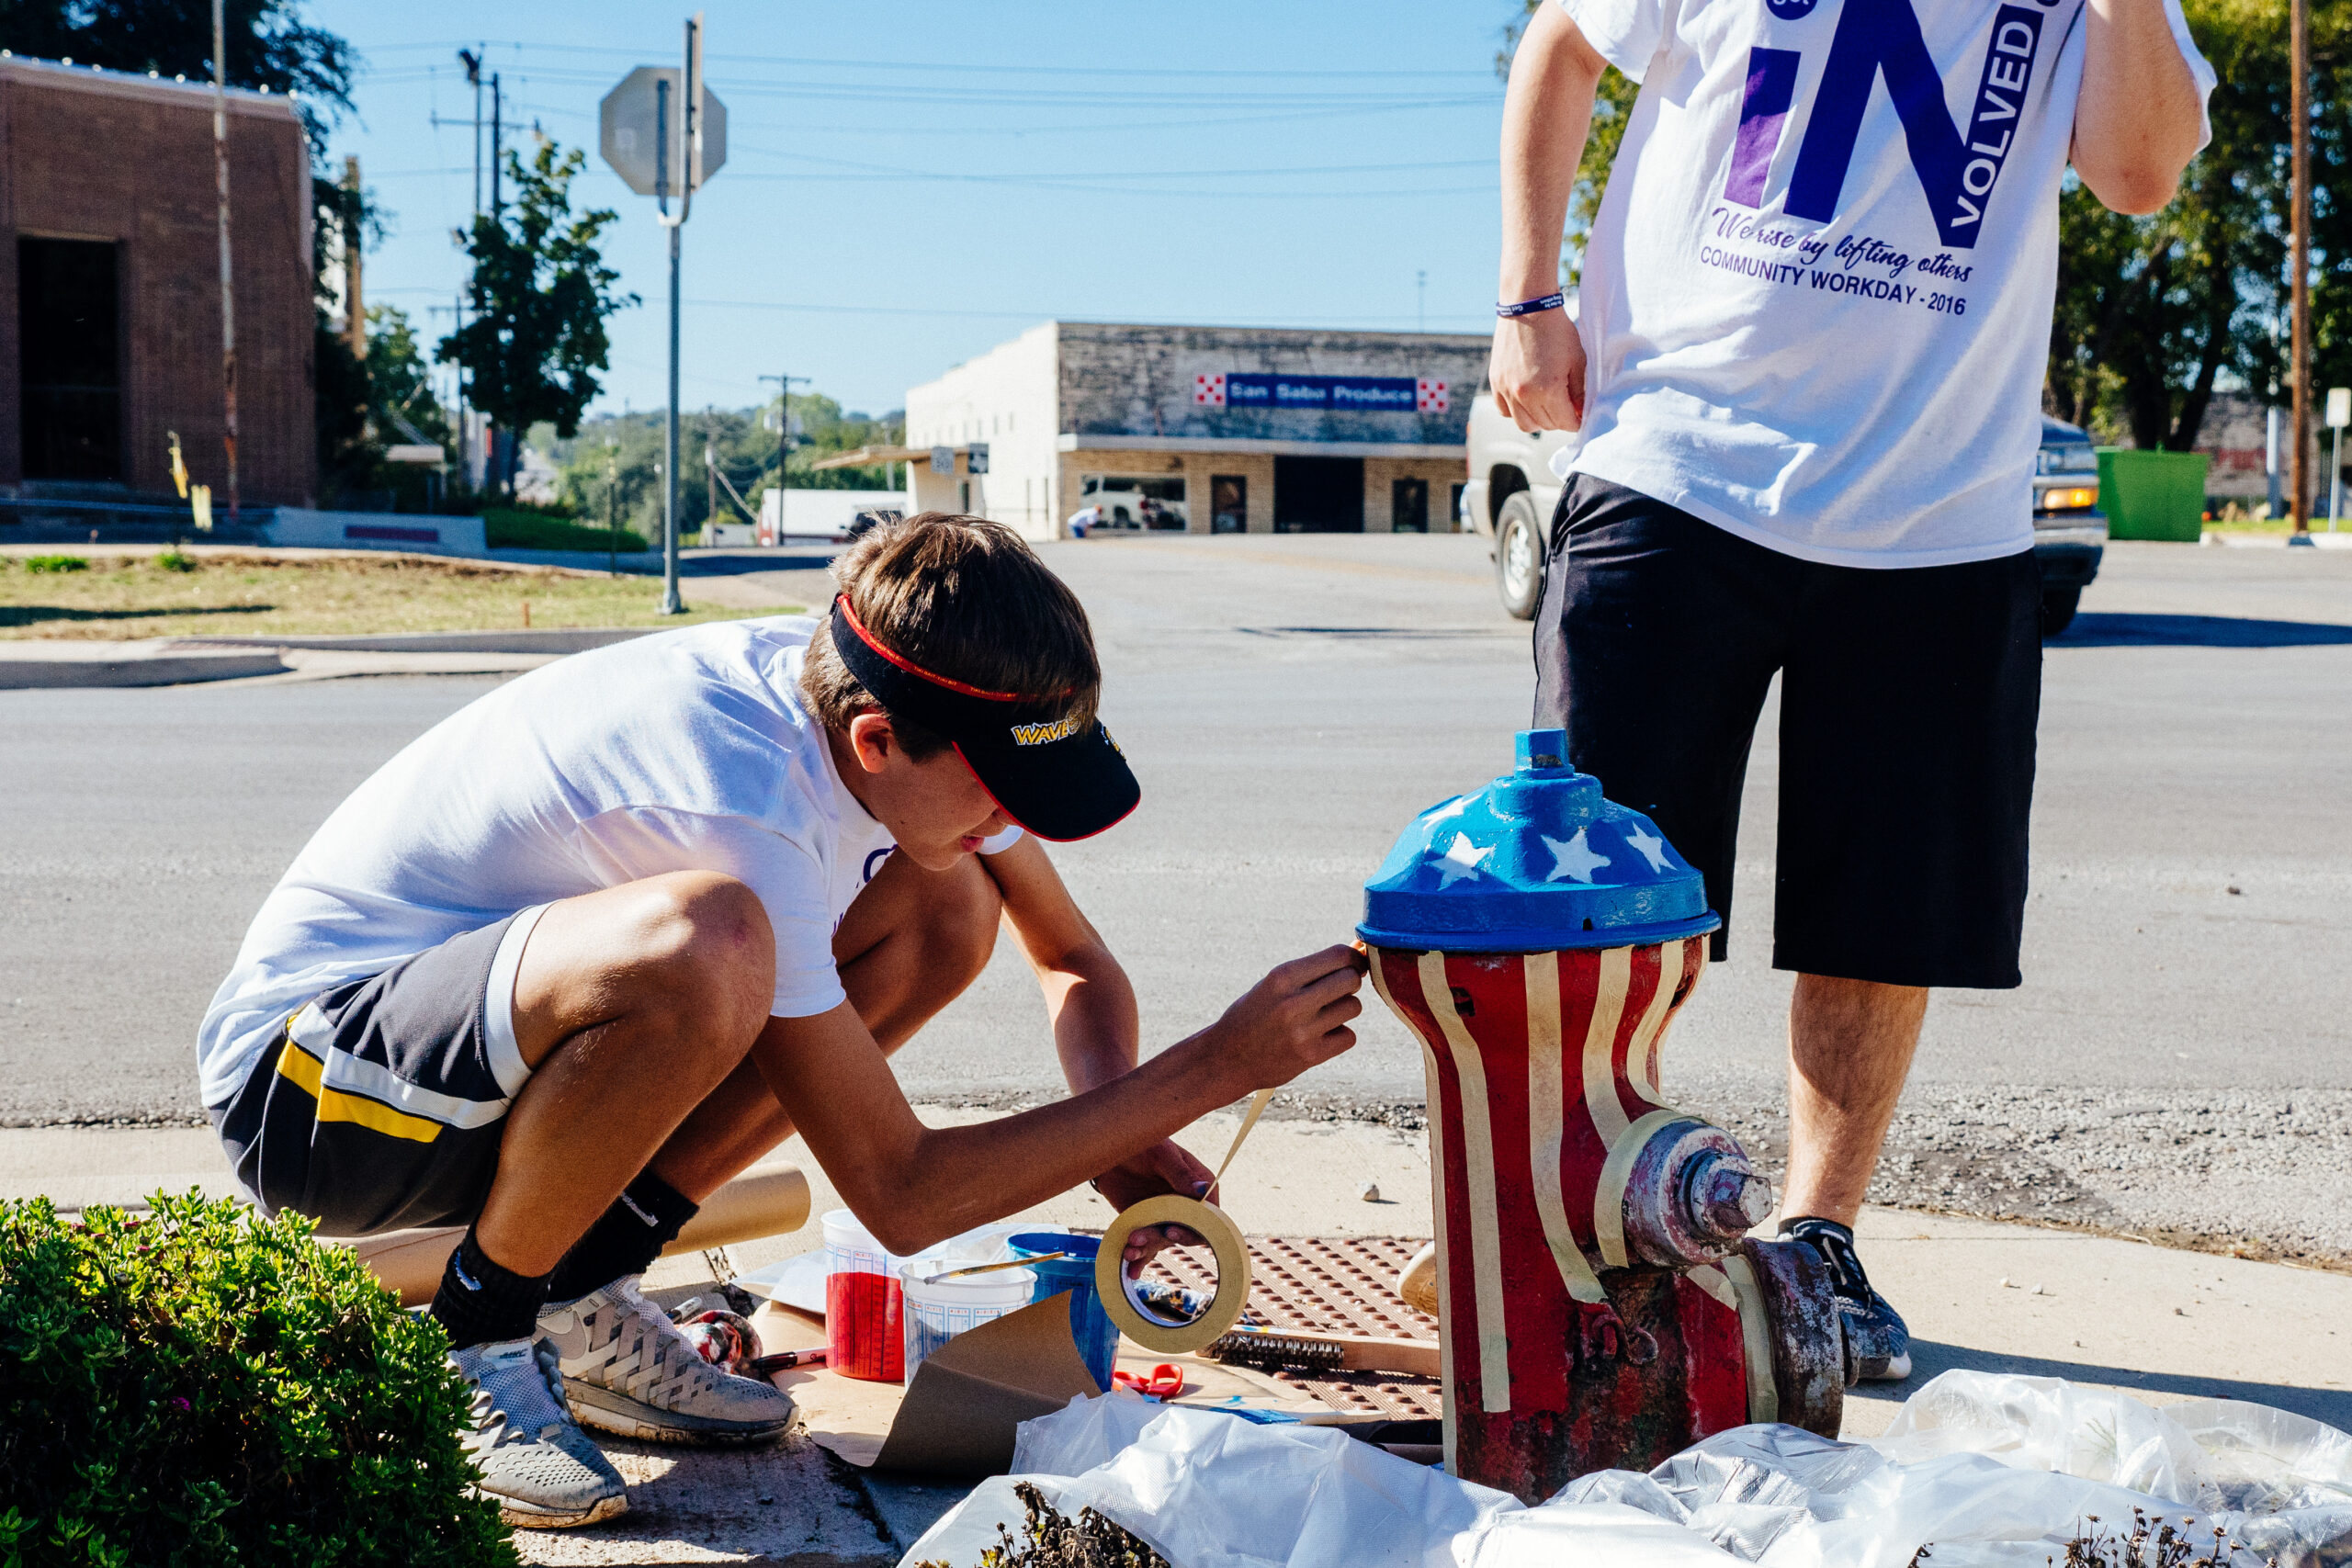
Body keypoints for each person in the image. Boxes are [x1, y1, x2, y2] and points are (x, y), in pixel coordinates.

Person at [198, 513, 1366, 1527]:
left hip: (473, 1065)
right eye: (1004, 794)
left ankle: (578, 1284)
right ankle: (477, 1335)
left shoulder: (894, 697)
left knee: (944, 906)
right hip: (316, 1097)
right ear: (876, 742)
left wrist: (1116, 1138)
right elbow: (903, 1196)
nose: (1014, 820)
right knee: (710, 942)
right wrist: (1213, 1067)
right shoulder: (738, 794)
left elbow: (1069, 957)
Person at [1490, 0, 2210, 1379]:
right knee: (1597, 894)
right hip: (1677, 458)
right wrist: (1531, 296)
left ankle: (1816, 1239)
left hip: (1937, 503)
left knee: (1882, 913)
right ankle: (1573, 1232)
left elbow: (2136, 172)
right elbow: (1561, 42)